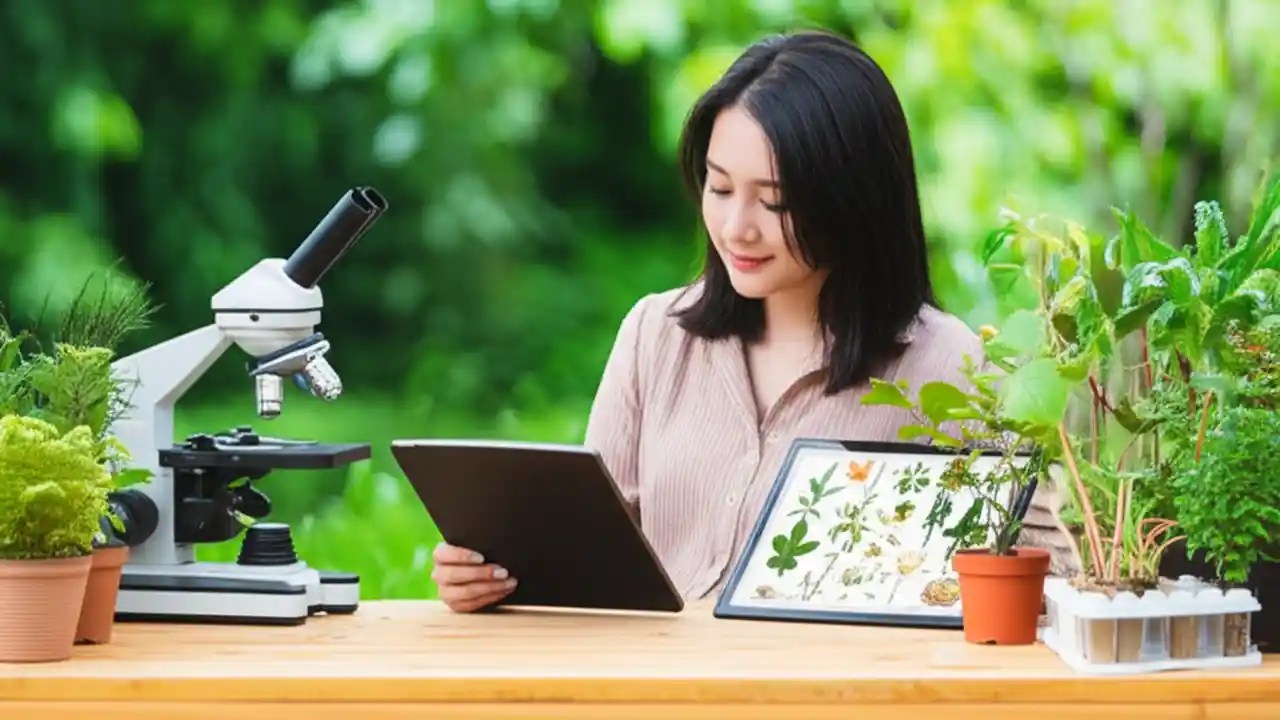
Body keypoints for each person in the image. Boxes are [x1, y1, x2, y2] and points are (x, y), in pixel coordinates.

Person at [431, 29, 1074, 612]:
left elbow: (1054, 572)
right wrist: (492, 578)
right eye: (718, 187)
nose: (738, 227)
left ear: (854, 200)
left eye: (776, 201)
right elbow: (579, 551)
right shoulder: (658, 334)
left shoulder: (940, 362)